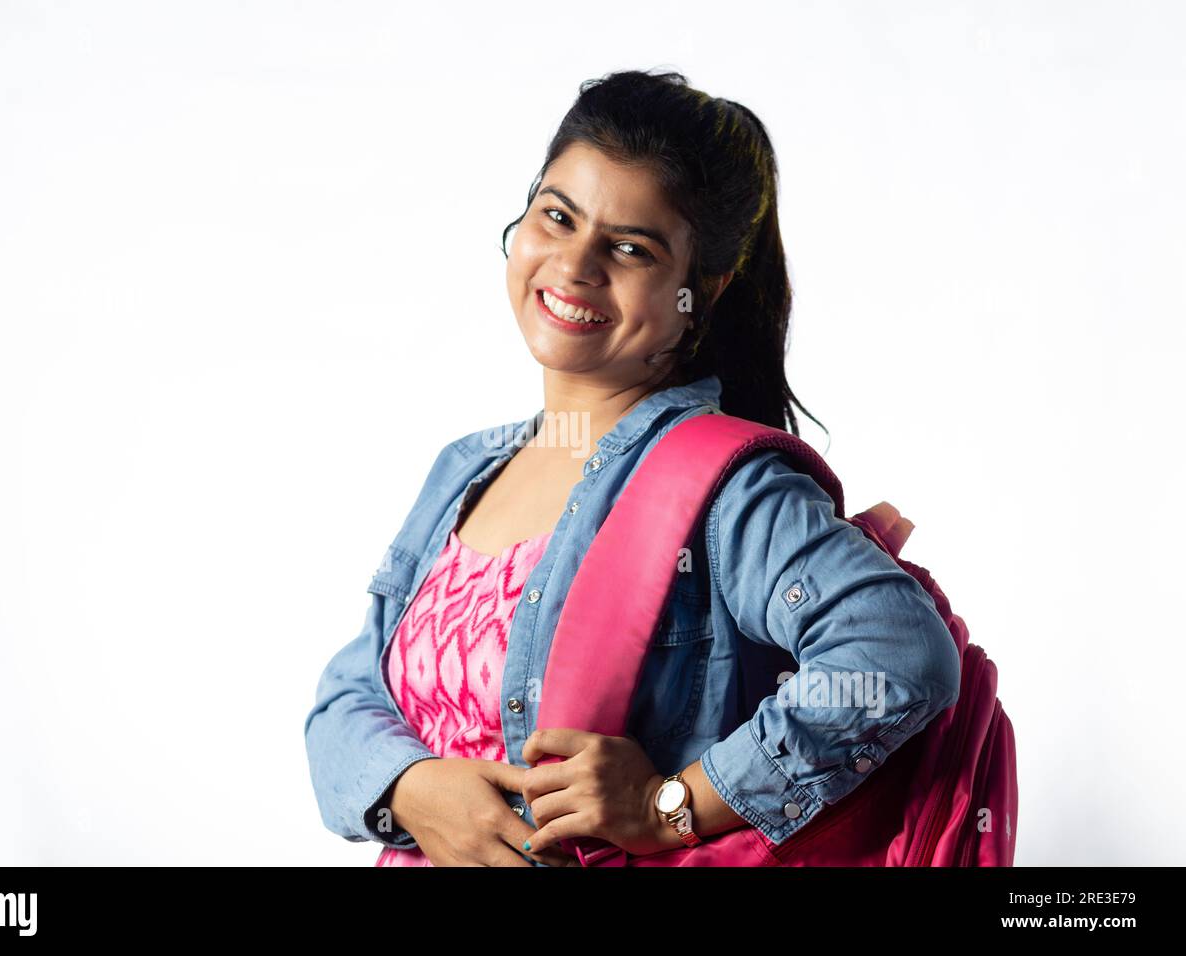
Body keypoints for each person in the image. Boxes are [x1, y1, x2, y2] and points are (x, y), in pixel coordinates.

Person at [303, 69, 961, 867]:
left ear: (702, 289)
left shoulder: (724, 488)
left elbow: (896, 654)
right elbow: (348, 696)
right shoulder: (467, 468)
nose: (576, 266)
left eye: (630, 248)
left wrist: (672, 805)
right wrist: (411, 787)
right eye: (558, 216)